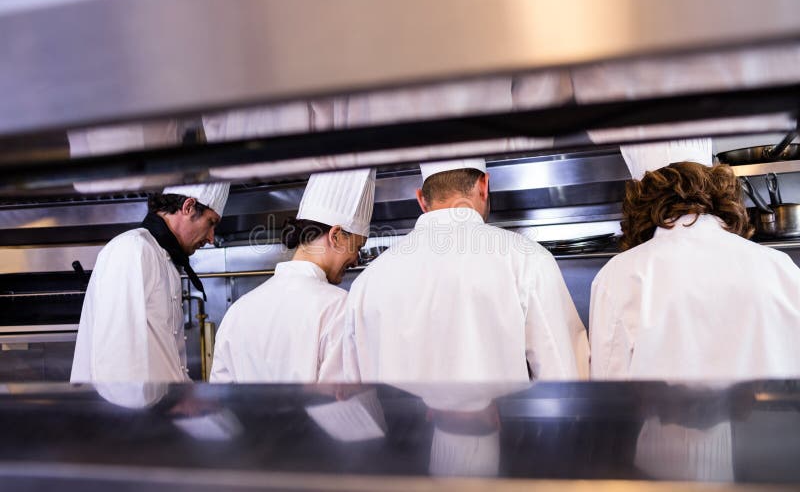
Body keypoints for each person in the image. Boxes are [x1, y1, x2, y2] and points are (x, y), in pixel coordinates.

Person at [343, 158, 589, 382]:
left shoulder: (365, 283)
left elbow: (353, 399)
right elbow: (564, 379)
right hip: (501, 420)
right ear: (484, 185)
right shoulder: (527, 259)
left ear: (421, 199)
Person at [590, 138, 800, 380]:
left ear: (640, 198)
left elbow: (608, 389)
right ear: (715, 184)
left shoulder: (619, 276)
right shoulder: (780, 267)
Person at [210, 168, 375, 383]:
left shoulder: (237, 311)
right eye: (358, 247)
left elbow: (221, 395)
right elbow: (343, 399)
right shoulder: (338, 307)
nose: (356, 260)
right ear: (336, 236)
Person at [71, 183, 230, 383]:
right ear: (188, 207)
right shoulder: (134, 249)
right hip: (129, 403)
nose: (211, 238)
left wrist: (186, 391)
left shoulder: (164, 258)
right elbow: (115, 363)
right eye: (211, 223)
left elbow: (165, 358)